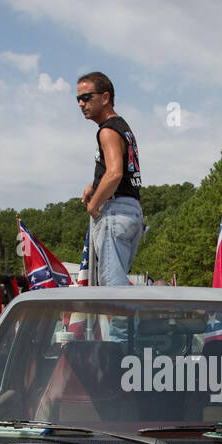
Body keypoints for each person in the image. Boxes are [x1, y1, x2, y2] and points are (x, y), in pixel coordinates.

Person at [78, 71, 143, 287]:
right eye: (78, 99)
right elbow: (120, 168)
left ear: (105, 97)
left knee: (113, 290)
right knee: (119, 284)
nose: (81, 104)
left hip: (115, 212)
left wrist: (94, 205)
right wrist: (95, 185)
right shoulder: (122, 127)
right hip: (131, 210)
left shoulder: (107, 131)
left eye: (86, 97)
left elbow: (115, 173)